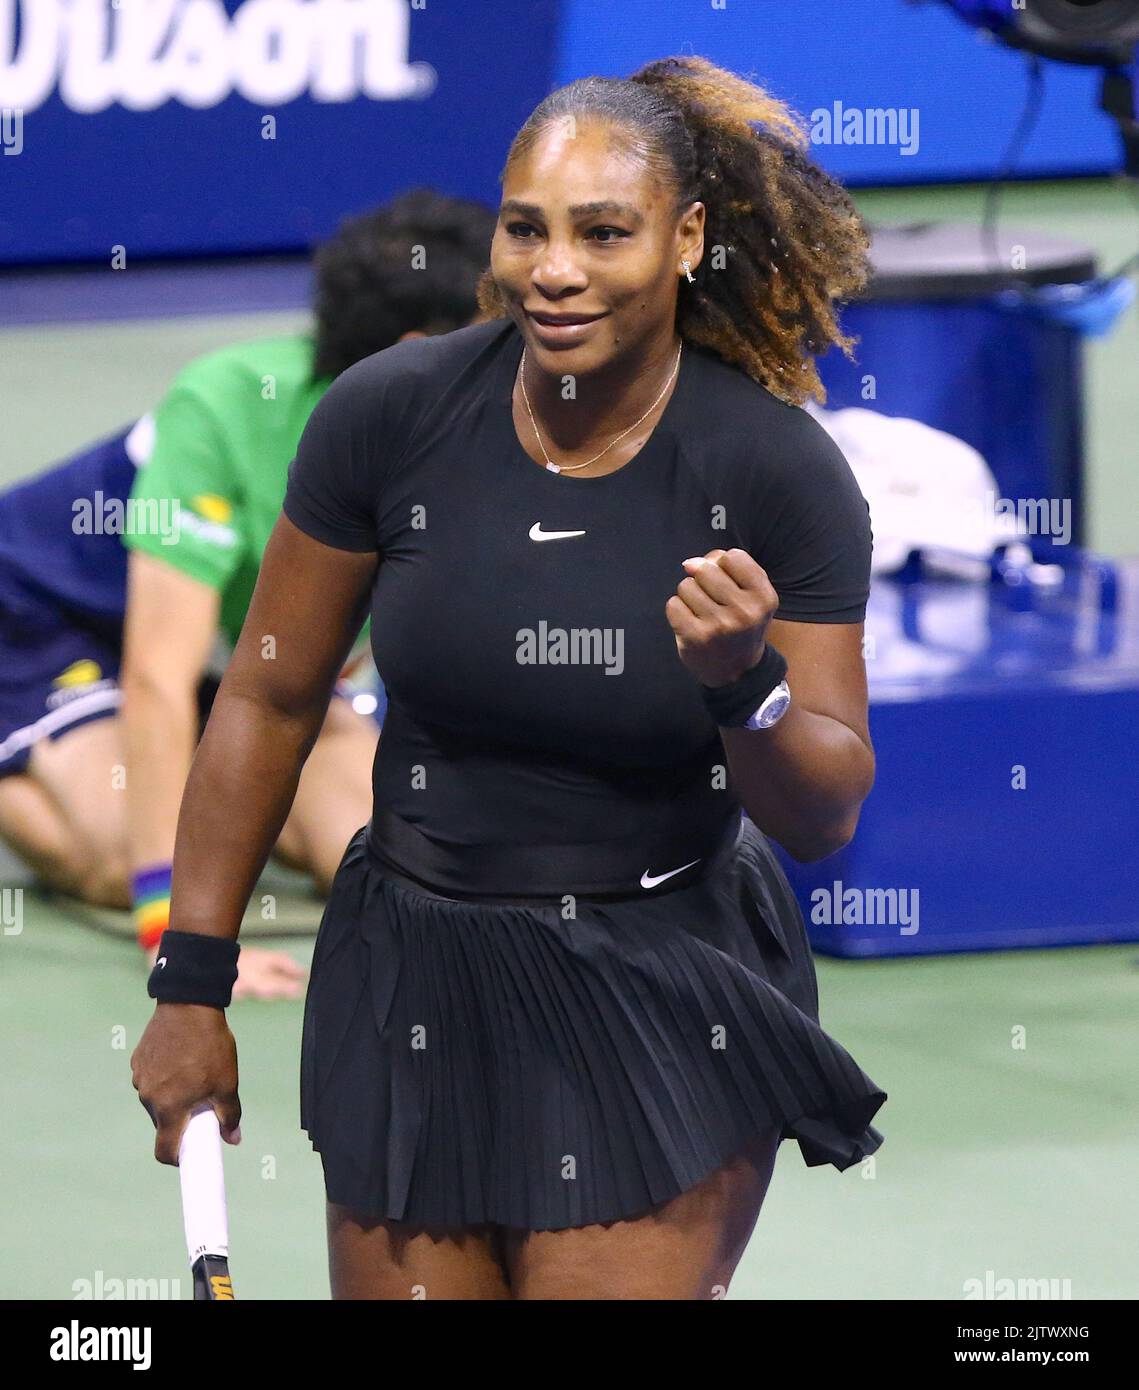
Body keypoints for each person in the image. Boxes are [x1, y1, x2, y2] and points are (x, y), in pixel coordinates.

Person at [131, 56, 888, 1298]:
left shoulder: (774, 471)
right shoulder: (388, 415)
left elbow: (821, 810)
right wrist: (189, 983)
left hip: (658, 986)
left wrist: (739, 682)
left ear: (687, 237)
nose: (553, 268)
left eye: (603, 232)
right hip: (412, 976)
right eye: (525, 227)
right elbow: (266, 697)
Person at [0, 190, 495, 999]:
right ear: (418, 348)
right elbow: (159, 674)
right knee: (109, 855)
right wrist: (175, 926)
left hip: (231, 652)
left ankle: (188, 778)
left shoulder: (470, 439)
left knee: (386, 852)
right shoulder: (224, 406)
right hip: (44, 623)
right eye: (498, 334)